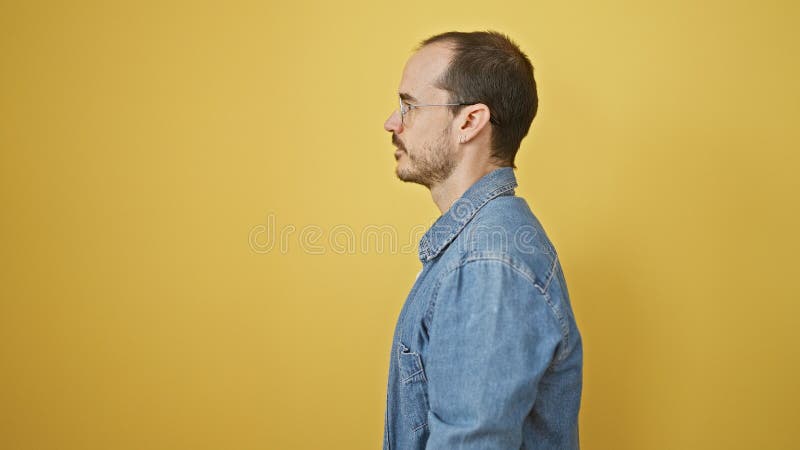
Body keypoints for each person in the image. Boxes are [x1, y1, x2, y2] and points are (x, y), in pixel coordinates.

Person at [381, 31, 583, 449]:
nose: (392, 122)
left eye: (410, 106)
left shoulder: (487, 263)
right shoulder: (482, 249)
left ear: (470, 122)